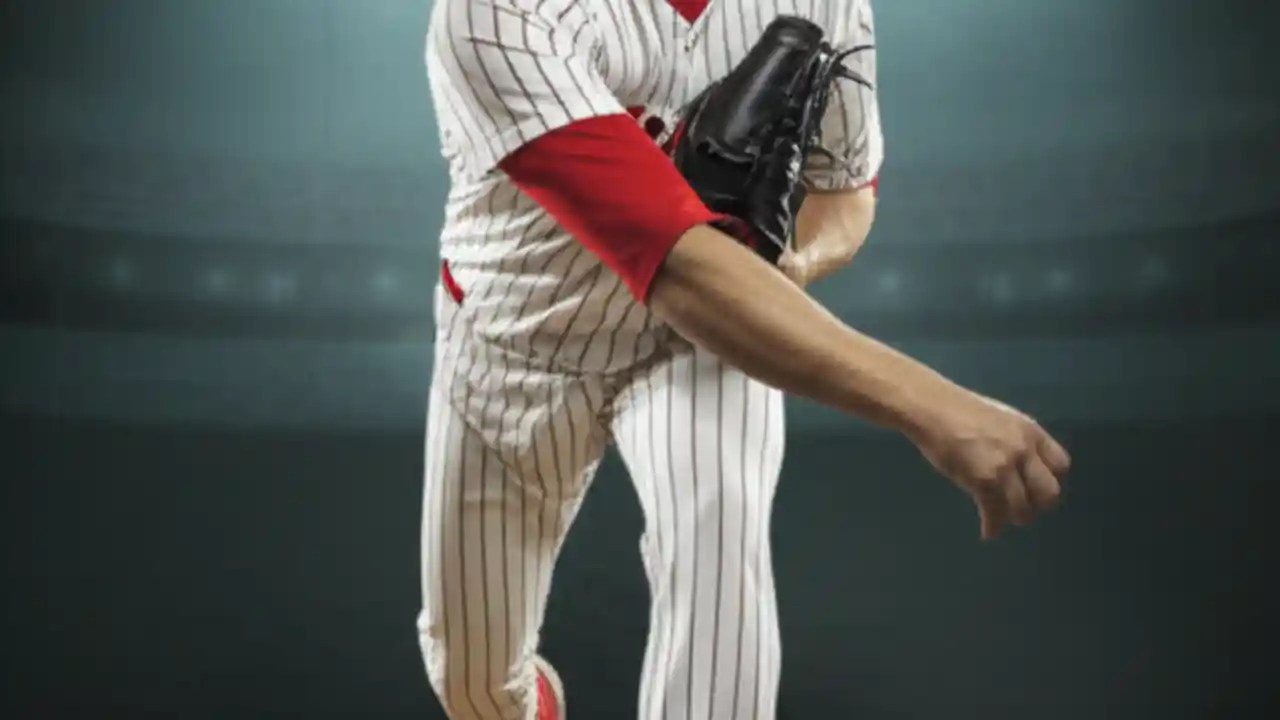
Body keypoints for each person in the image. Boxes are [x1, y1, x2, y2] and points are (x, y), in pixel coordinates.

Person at [416, 1, 1071, 718]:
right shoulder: (495, 14)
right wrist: (935, 407)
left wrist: (780, 269)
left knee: (719, 549)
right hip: (515, 339)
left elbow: (844, 195)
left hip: (697, 344)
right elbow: (678, 266)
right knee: (473, 682)